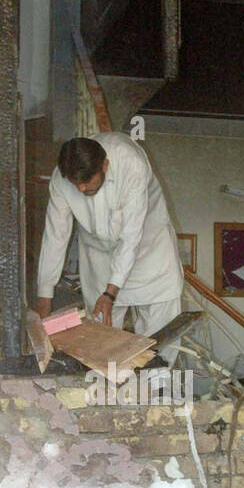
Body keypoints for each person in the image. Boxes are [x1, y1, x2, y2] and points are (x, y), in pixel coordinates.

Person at [35, 132, 184, 347]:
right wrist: (44, 300)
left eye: (86, 182)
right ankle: (108, 380)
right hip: (100, 262)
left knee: (157, 347)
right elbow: (55, 236)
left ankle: (154, 381)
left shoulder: (131, 164)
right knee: (101, 344)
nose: (81, 189)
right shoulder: (62, 178)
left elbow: (131, 237)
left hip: (149, 256)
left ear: (105, 165)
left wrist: (110, 293)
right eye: (76, 183)